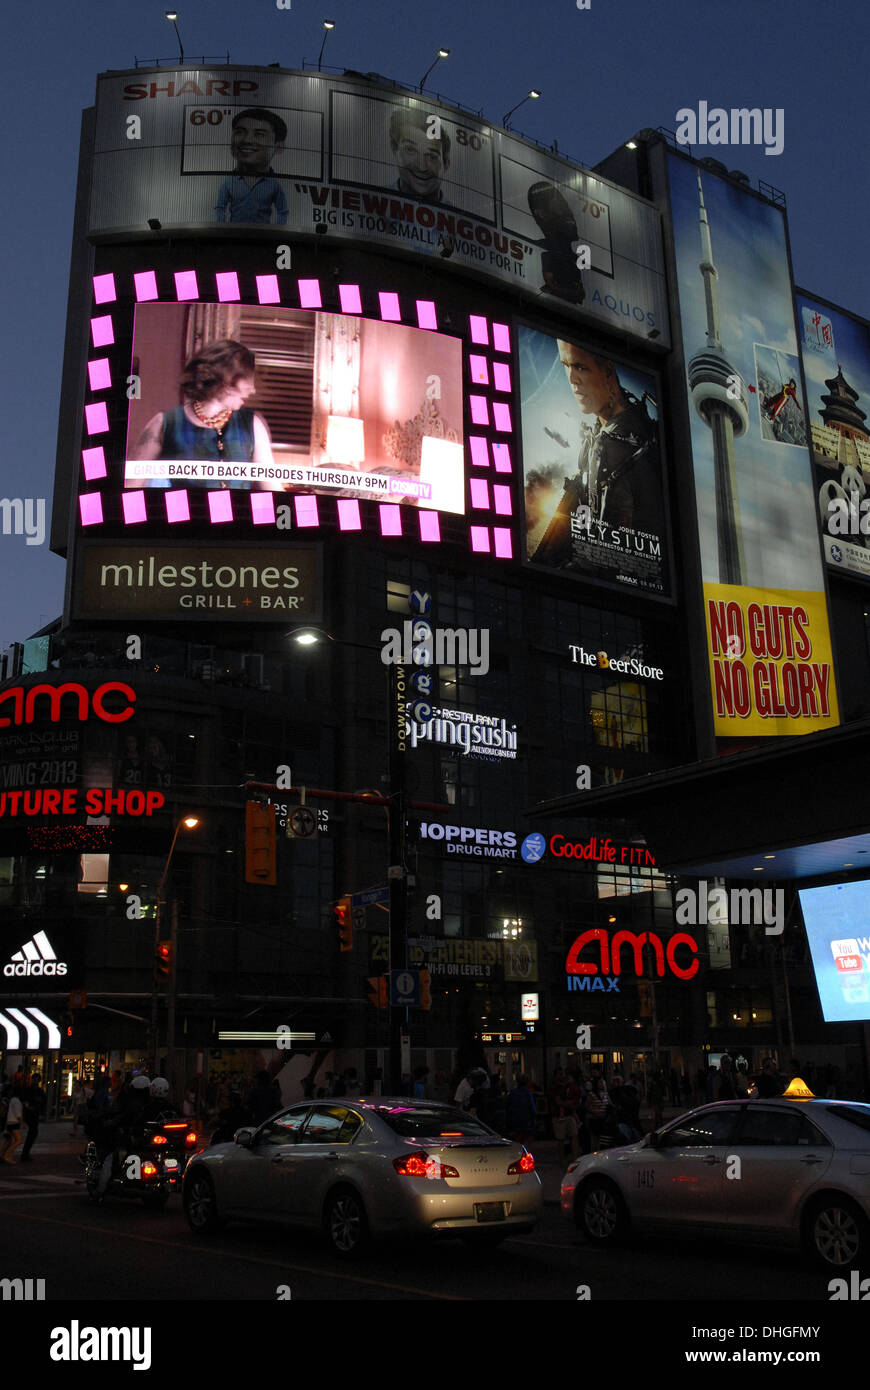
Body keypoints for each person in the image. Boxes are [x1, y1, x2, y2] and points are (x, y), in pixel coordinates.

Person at [530, 341, 663, 571]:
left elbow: (607, 554)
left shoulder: (613, 446)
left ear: (608, 372)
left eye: (580, 367)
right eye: (566, 365)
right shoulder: (637, 427)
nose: (572, 379)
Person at [131, 340, 275, 486]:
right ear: (225, 378)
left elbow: (272, 488)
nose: (253, 389)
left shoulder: (252, 425)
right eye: (247, 379)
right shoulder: (164, 423)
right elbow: (131, 486)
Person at [213, 108, 288, 225]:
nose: (247, 140)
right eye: (240, 132)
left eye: (259, 134)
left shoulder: (274, 185)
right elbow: (219, 208)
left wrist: (277, 233)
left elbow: (283, 212)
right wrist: (222, 229)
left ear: (279, 147)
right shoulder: (228, 182)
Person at [527, 181, 585, 304]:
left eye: (567, 207)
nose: (568, 214)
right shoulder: (540, 252)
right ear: (541, 214)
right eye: (559, 207)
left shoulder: (576, 261)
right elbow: (551, 287)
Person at [388, 108, 453, 206]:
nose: (422, 167)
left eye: (432, 156)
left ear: (446, 164)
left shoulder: (458, 218)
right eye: (411, 150)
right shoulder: (373, 205)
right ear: (395, 149)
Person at [20, 1073, 46, 1161]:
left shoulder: (40, 1091)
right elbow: (24, 1101)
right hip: (29, 1114)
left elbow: (43, 1103)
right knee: (32, 1132)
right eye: (34, 1079)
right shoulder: (28, 1090)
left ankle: (25, 1153)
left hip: (34, 1115)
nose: (36, 1081)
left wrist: (41, 1113)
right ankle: (25, 1153)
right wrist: (29, 1108)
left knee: (33, 1133)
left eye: (37, 1080)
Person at [504, 1075, 536, 1148]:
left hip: (515, 1121)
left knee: (518, 1140)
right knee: (526, 1141)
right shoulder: (528, 1093)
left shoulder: (512, 1093)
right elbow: (532, 1108)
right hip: (526, 1121)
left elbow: (507, 1107)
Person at [0, 1087, 24, 1164]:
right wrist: (22, 1123)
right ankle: (8, 1155)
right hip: (14, 1122)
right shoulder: (16, 1101)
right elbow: (18, 1114)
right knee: (19, 1140)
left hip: (9, 1122)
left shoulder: (12, 1100)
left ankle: (2, 1155)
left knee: (8, 1140)